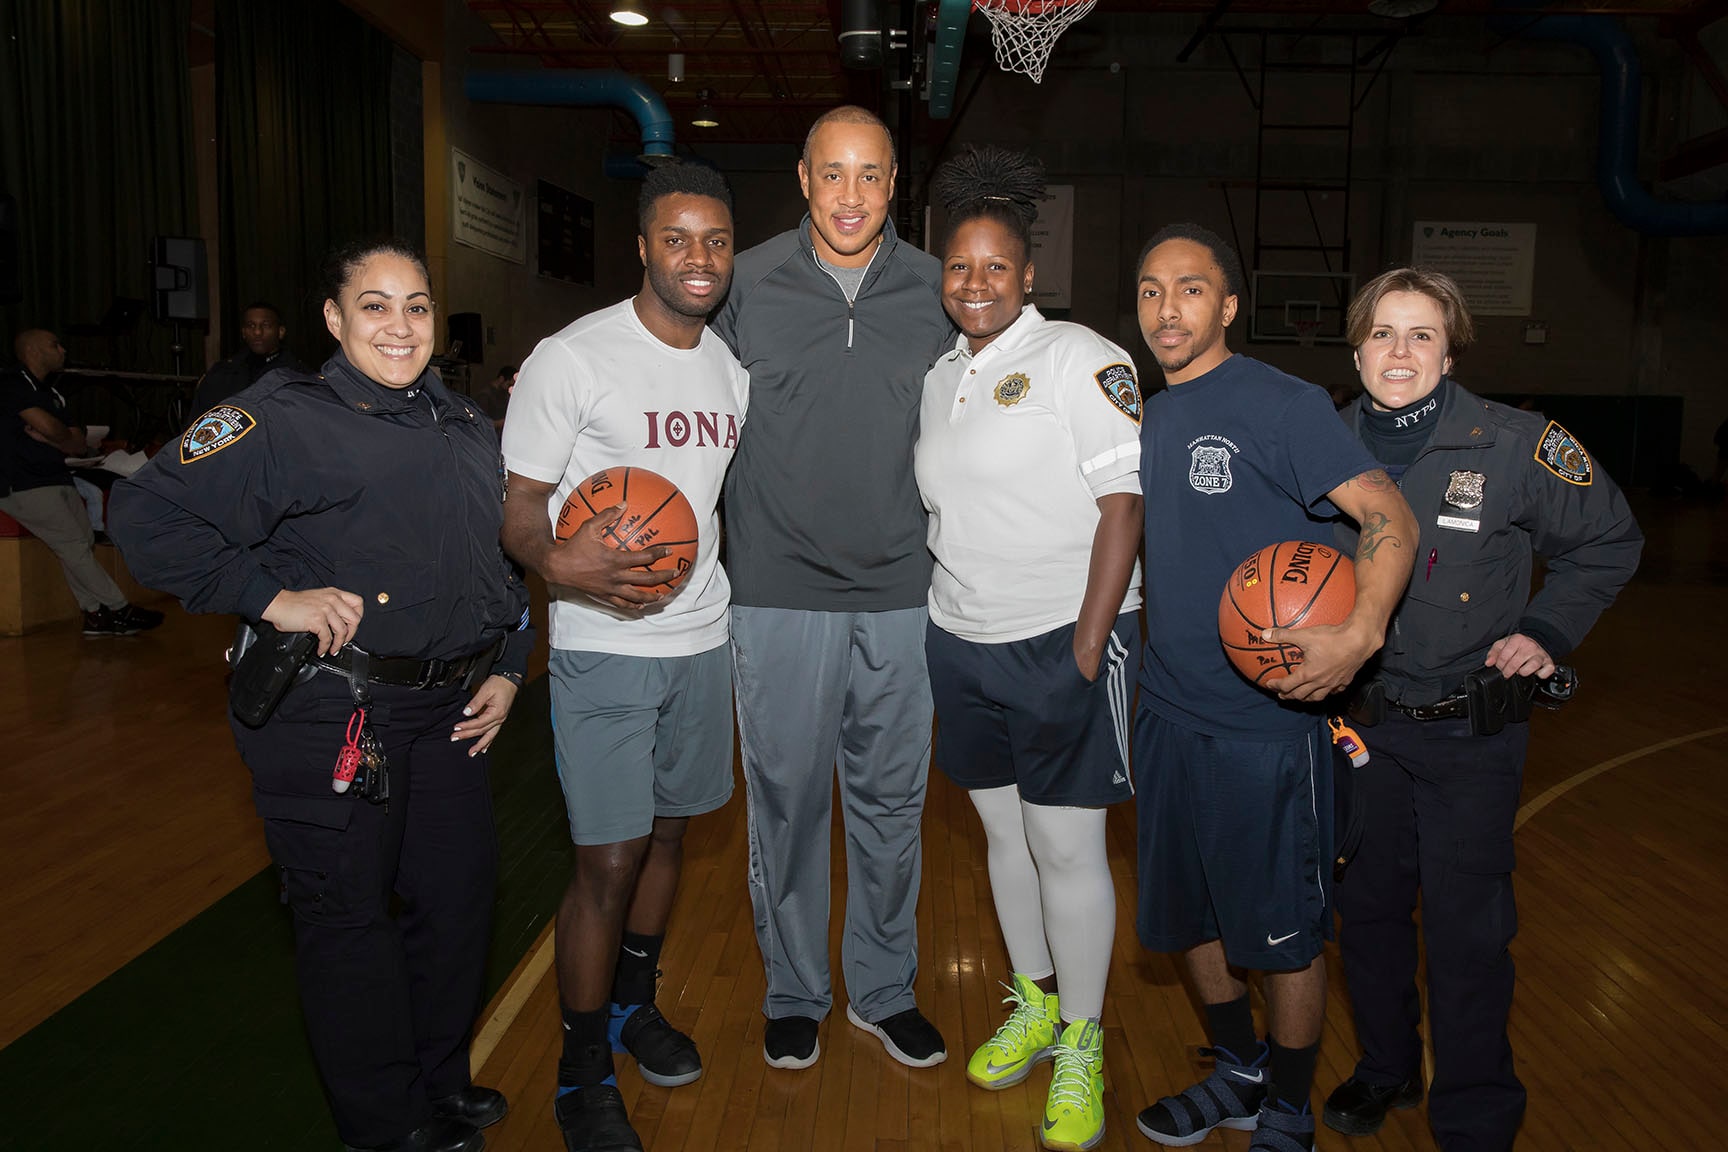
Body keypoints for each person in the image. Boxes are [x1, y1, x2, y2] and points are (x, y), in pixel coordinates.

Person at [108, 240, 531, 1152]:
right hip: (334, 712)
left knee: (458, 904)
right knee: (348, 925)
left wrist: (508, 663)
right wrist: (270, 597)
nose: (399, 326)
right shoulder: (281, 416)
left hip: (448, 711)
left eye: (417, 306)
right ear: (335, 320)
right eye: (375, 305)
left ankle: (439, 1081)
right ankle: (385, 1125)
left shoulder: (463, 421)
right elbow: (145, 515)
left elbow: (500, 557)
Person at [1321, 268, 1642, 1152]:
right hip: (1358, 729)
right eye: (1382, 333)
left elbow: (1609, 540)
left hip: (1469, 733)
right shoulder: (1319, 443)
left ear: (1450, 351)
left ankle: (1475, 1108)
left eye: (1421, 335)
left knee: (1468, 934)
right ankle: (1387, 1066)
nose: (1399, 352)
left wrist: (1545, 630)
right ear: (1357, 350)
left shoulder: (1516, 444)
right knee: (1368, 916)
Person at [1128, 223, 1418, 1152]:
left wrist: (1361, 632)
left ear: (1227, 305)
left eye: (1189, 289)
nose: (1167, 308)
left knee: (1284, 932)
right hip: (1167, 712)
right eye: (1150, 290)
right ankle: (1240, 1071)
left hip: (1266, 726)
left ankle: (1289, 1104)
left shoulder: (1281, 403)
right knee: (1188, 919)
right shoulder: (1147, 414)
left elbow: (1389, 513)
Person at [500, 163, 747, 1152]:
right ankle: (580, 1071)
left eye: (716, 240)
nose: (699, 258)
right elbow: (521, 508)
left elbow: (707, 509)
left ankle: (633, 1009)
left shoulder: (729, 370)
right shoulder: (572, 357)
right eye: (677, 239)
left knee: (671, 837)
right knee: (608, 859)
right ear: (644, 246)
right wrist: (561, 562)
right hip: (605, 646)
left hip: (703, 639)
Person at [711, 105, 955, 1072]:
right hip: (776, 591)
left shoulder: (941, 289)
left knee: (892, 805)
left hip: (903, 591)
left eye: (871, 175)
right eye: (833, 174)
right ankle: (794, 991)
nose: (851, 195)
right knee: (786, 802)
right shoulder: (743, 283)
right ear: (804, 180)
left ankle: (884, 990)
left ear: (895, 184)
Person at [914, 146, 1143, 1151]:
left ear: (1028, 274)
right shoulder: (940, 377)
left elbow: (1123, 505)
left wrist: (1088, 648)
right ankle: (1036, 1002)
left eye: (995, 266)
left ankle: (1083, 1041)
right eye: (958, 267)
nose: (975, 283)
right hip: (962, 641)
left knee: (1066, 847)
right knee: (1005, 841)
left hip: (1061, 641)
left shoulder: (1079, 357)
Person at [1, 328, 163, 635]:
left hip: (57, 476)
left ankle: (95, 615)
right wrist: (57, 436)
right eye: (55, 345)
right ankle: (119, 609)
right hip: (22, 482)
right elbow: (52, 428)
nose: (63, 350)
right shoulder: (11, 383)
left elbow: (76, 442)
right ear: (33, 351)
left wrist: (53, 438)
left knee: (83, 542)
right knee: (73, 544)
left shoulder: (52, 393)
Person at [190, 301, 308, 416]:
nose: (257, 332)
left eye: (265, 325)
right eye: (251, 326)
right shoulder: (221, 374)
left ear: (281, 332)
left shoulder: (298, 376)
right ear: (243, 332)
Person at [474, 363, 515, 429]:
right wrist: (503, 422)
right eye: (509, 385)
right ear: (501, 379)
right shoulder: (484, 396)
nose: (510, 388)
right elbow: (480, 423)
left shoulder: (505, 394)